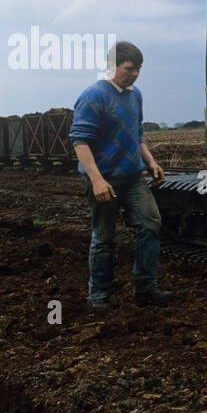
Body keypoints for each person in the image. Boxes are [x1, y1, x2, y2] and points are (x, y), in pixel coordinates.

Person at [69, 41, 176, 310]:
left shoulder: (134, 95)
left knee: (150, 223)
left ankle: (146, 287)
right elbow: (80, 141)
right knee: (104, 237)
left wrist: (150, 161)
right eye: (129, 68)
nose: (135, 74)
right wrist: (96, 180)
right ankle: (98, 296)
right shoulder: (93, 96)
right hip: (104, 178)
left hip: (132, 177)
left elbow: (137, 133)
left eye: (139, 68)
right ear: (111, 66)